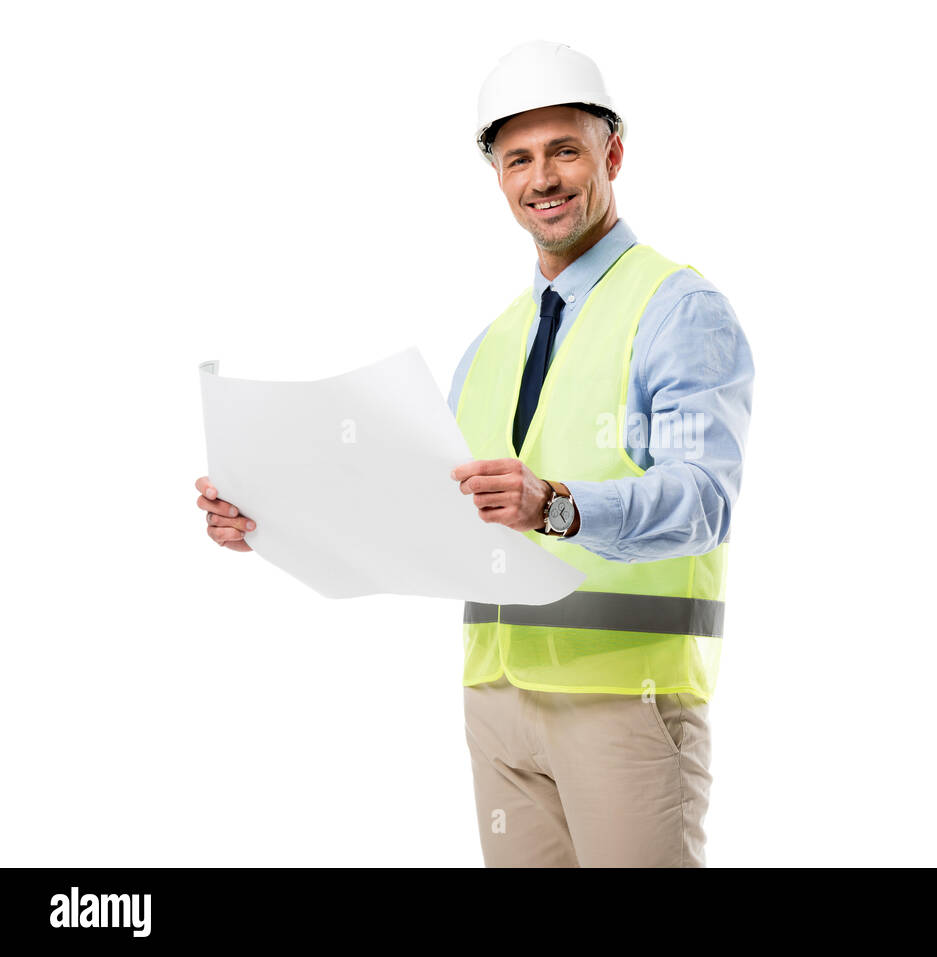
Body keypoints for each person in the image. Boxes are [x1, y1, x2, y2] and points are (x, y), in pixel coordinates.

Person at [194, 39, 753, 867]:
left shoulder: (676, 309)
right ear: (497, 176)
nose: (543, 179)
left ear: (614, 154)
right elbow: (422, 508)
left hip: (622, 698)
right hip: (496, 700)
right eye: (518, 158)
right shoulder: (492, 345)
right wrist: (267, 520)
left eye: (566, 149)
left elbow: (704, 499)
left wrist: (556, 504)